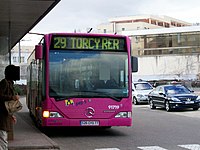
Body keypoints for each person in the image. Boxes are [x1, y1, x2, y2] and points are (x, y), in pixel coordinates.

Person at [0, 65, 20, 150]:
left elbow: (7, 104)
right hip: (1, 116)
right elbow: (0, 96)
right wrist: (12, 97)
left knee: (3, 138)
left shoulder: (10, 83)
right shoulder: (4, 82)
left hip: (5, 115)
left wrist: (11, 115)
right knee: (3, 138)